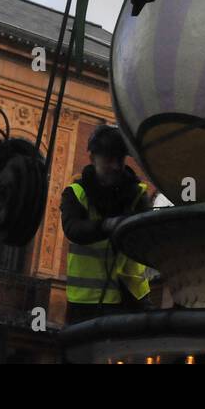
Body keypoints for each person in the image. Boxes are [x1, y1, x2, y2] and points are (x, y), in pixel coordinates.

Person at [60, 125, 153, 325]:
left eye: (119, 159)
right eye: (109, 159)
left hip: (130, 298)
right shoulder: (75, 193)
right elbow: (73, 230)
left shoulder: (137, 194)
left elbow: (148, 238)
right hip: (84, 302)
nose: (115, 166)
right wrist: (107, 225)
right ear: (93, 158)